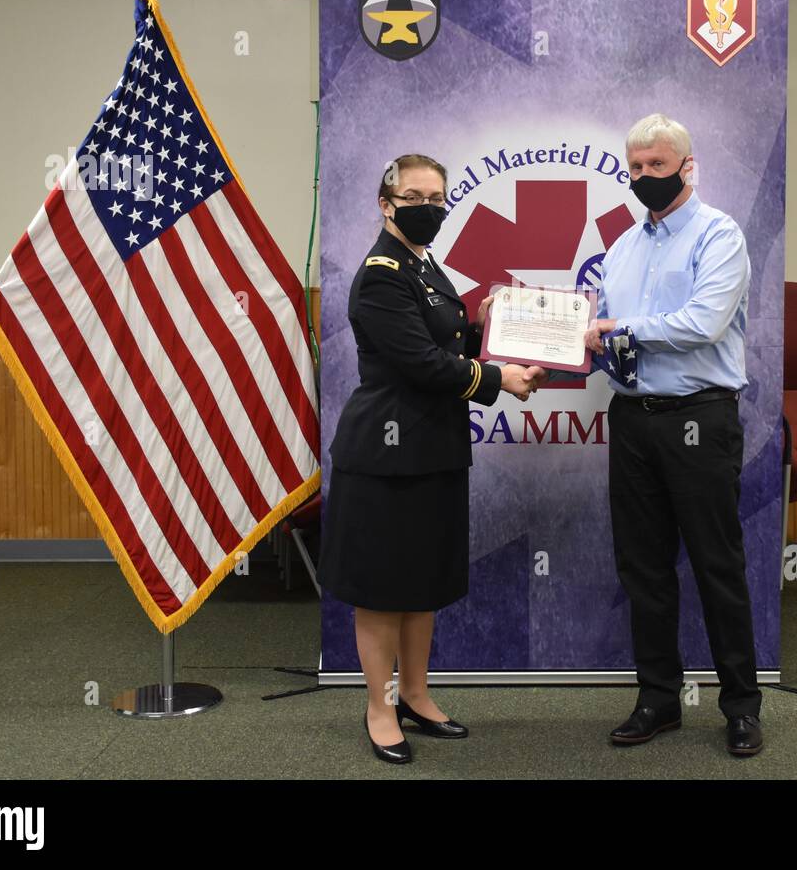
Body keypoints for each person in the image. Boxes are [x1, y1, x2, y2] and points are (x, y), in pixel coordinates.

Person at [538, 113, 763, 756]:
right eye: (635, 168)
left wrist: (617, 330)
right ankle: (658, 699)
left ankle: (742, 708)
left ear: (686, 167)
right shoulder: (623, 248)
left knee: (718, 565)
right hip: (633, 419)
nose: (643, 178)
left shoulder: (720, 235)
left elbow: (703, 323)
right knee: (642, 568)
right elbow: (606, 335)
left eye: (656, 166)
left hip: (699, 418)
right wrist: (555, 333)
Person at [319, 153, 543, 765]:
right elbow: (418, 363)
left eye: (436, 197)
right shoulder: (382, 273)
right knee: (382, 588)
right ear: (385, 204)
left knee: (420, 585)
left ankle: (416, 695)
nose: (428, 208)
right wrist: (498, 378)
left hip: (434, 446)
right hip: (386, 453)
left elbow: (443, 341)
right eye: (413, 198)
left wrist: (483, 325)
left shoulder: (425, 265)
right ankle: (379, 707)